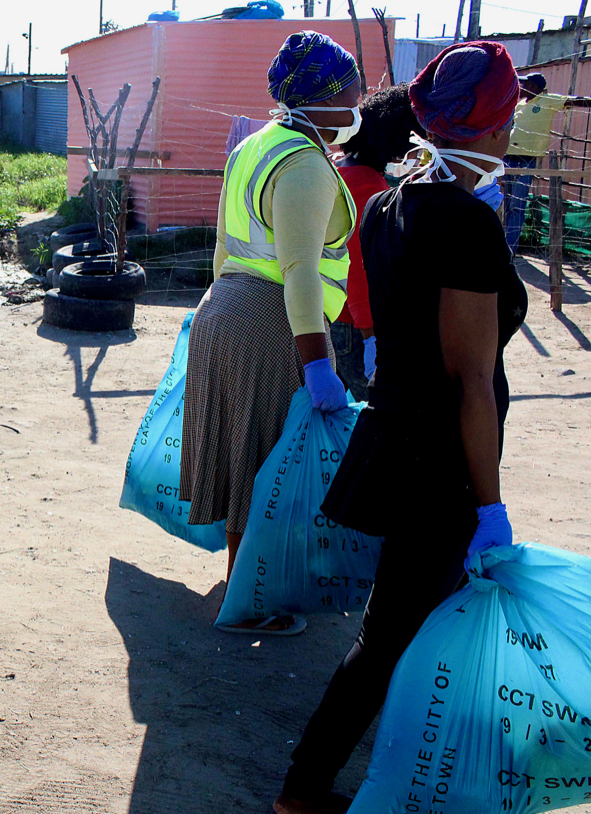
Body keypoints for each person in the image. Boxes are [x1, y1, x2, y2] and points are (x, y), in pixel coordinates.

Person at [272, 41, 526, 814]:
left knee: (425, 622)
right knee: (389, 635)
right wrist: (488, 503)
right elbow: (471, 380)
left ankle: (437, 764)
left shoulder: (391, 202)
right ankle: (305, 784)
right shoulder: (464, 224)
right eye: (510, 116)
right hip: (440, 461)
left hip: (397, 435)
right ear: (491, 127)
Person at [179, 31, 361, 636]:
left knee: (246, 455)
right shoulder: (305, 164)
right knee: (266, 461)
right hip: (271, 320)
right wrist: (318, 362)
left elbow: (223, 243)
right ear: (325, 99)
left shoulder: (254, 146)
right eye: (353, 91)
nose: (361, 102)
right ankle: (251, 601)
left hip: (226, 307)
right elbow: (300, 271)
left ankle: (243, 582)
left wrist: (209, 308)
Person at [331, 84, 422, 401]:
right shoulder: (372, 190)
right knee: (368, 417)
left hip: (324, 316)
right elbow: (359, 269)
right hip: (353, 327)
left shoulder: (334, 170)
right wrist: (371, 337)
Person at [499, 71, 591, 254]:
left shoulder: (547, 100)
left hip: (527, 160)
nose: (521, 88)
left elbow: (574, 100)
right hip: (509, 157)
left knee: (518, 205)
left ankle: (510, 249)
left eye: (525, 85)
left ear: (534, 87)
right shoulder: (519, 104)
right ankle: (503, 244)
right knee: (508, 203)